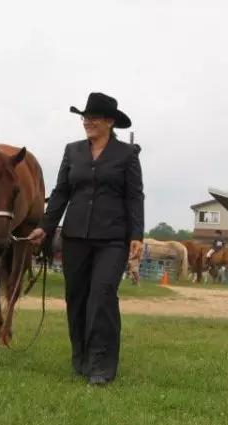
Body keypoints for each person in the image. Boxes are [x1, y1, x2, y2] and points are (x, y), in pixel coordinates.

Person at [28, 92, 144, 386]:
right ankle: (80, 358)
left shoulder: (127, 155)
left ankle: (101, 365)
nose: (86, 123)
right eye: (84, 118)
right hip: (75, 236)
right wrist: (45, 225)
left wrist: (136, 235)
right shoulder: (72, 151)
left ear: (109, 121)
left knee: (102, 296)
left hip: (113, 239)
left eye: (92, 118)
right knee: (77, 298)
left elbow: (134, 196)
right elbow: (61, 192)